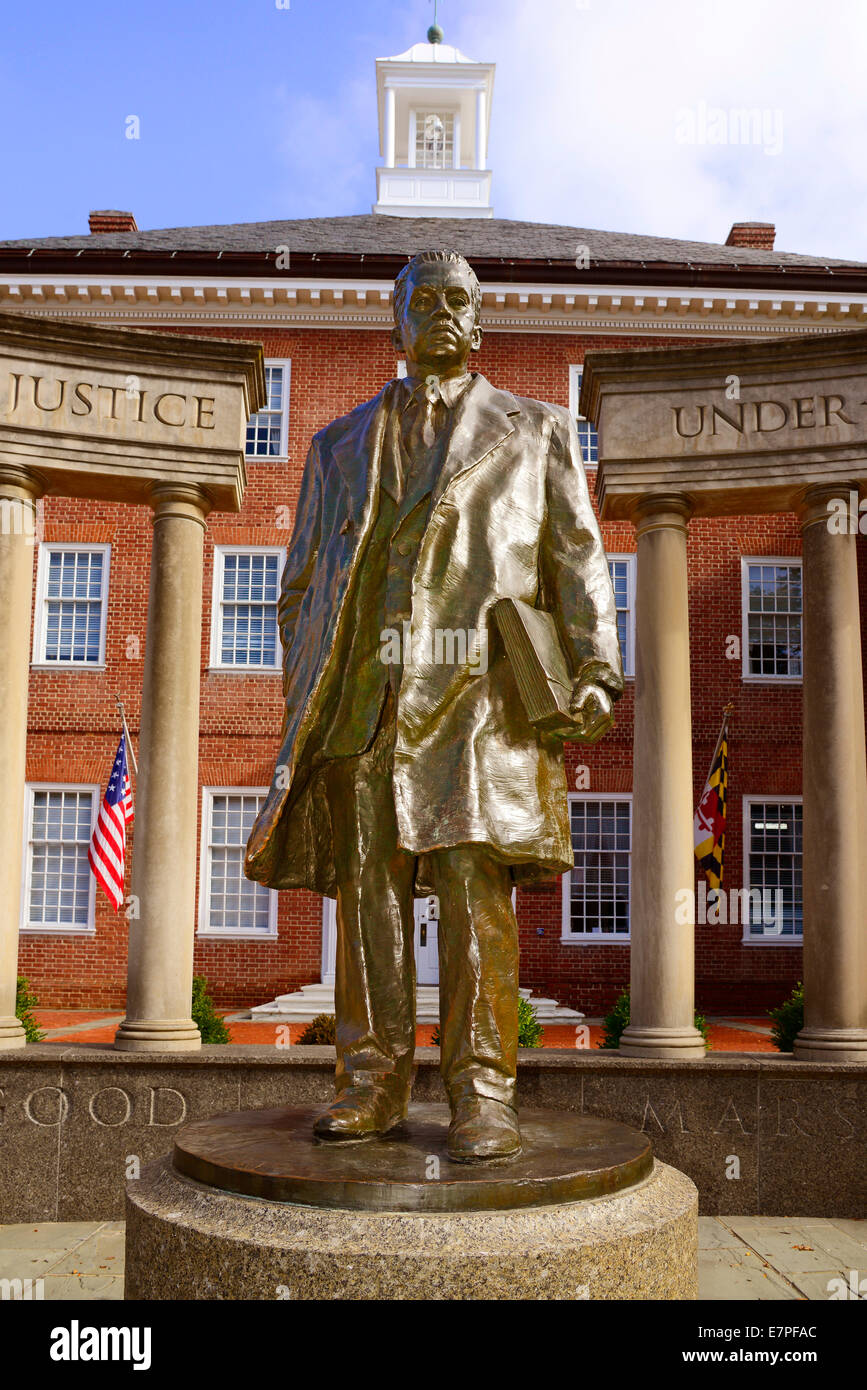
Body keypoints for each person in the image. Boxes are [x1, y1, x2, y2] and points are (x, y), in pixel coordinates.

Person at [246, 249, 623, 1161]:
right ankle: (368, 1085)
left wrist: (596, 672)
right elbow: (299, 585)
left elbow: (577, 561)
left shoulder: (533, 431)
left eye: (461, 301)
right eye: (426, 301)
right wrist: (311, 677)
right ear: (396, 323)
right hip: (359, 705)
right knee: (366, 897)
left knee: (470, 897)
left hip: (478, 702)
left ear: (479, 323)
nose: (444, 315)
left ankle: (482, 1096)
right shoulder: (337, 444)